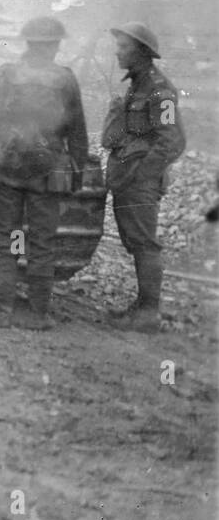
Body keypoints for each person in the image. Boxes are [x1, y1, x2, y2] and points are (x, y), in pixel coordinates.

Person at [0, 16, 89, 330]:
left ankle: (3, 311)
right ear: (54, 45)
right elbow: (77, 131)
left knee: (9, 239)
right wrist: (76, 174)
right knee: (42, 243)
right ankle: (38, 315)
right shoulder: (65, 79)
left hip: (9, 169)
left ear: (28, 43)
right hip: (47, 174)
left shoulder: (7, 75)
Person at [102, 22, 185, 333]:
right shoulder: (137, 85)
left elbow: (172, 139)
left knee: (145, 244)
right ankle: (142, 306)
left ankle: (149, 312)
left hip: (138, 180)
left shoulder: (159, 90)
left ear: (141, 52)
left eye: (123, 47)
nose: (117, 51)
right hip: (127, 176)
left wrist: (144, 175)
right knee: (136, 242)